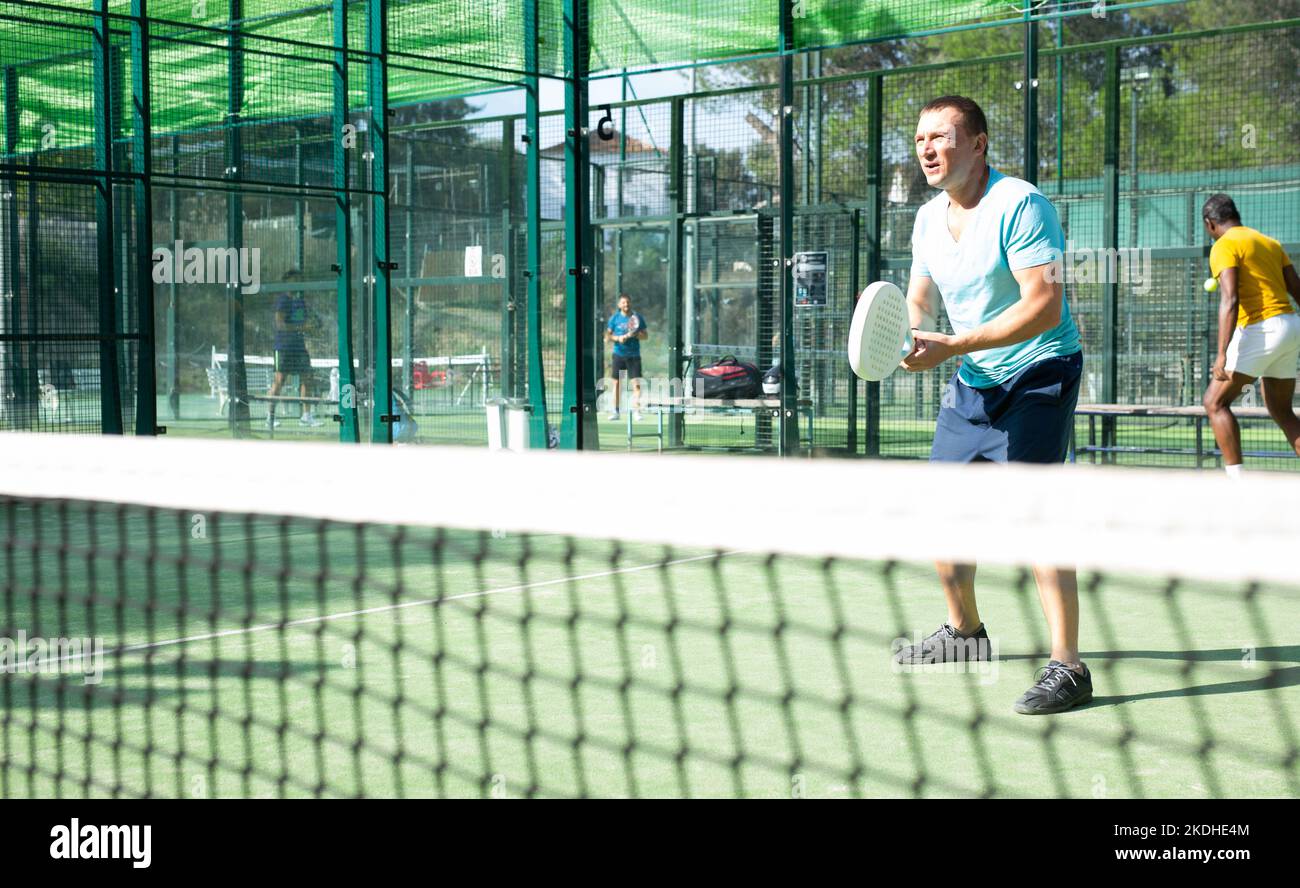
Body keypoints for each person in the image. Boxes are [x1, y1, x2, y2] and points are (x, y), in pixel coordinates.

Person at [893, 95, 1090, 715]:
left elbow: (1044, 306)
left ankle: (1069, 666)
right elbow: (919, 297)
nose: (926, 148)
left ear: (977, 144)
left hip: (1040, 372)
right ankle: (967, 635)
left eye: (941, 136)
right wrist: (917, 334)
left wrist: (955, 345)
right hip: (974, 378)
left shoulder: (1022, 204)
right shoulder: (927, 220)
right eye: (920, 138)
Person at [1200, 194, 1300, 476]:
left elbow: (1230, 300)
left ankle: (1238, 484)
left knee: (1214, 402)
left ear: (1210, 224)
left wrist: (1221, 354)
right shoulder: (1269, 243)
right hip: (1291, 325)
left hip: (1262, 329)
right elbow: (1297, 290)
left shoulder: (1223, 245)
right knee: (1282, 411)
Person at [267, 269, 322, 429]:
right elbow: (280, 325)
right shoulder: (283, 300)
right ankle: (270, 418)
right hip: (283, 347)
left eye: (299, 279)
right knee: (279, 381)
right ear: (287, 282)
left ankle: (306, 416)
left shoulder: (301, 302)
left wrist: (311, 327)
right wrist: (302, 327)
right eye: (294, 279)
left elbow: (306, 324)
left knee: (307, 378)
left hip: (299, 348)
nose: (297, 282)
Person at [605, 293, 648, 421]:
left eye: (628, 302)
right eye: (623, 302)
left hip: (634, 355)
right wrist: (618, 338)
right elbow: (608, 337)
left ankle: (636, 411)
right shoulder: (614, 319)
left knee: (636, 384)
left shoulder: (637, 318)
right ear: (619, 305)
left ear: (630, 303)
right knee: (617, 383)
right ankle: (615, 411)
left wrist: (634, 335)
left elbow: (645, 336)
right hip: (618, 355)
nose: (626, 304)